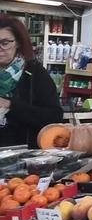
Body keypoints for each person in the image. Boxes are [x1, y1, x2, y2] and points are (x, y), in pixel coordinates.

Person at [0, 15, 63, 148]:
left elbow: (54, 117)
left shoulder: (35, 74)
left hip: (23, 157)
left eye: (4, 43)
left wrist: (10, 105)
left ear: (18, 43)